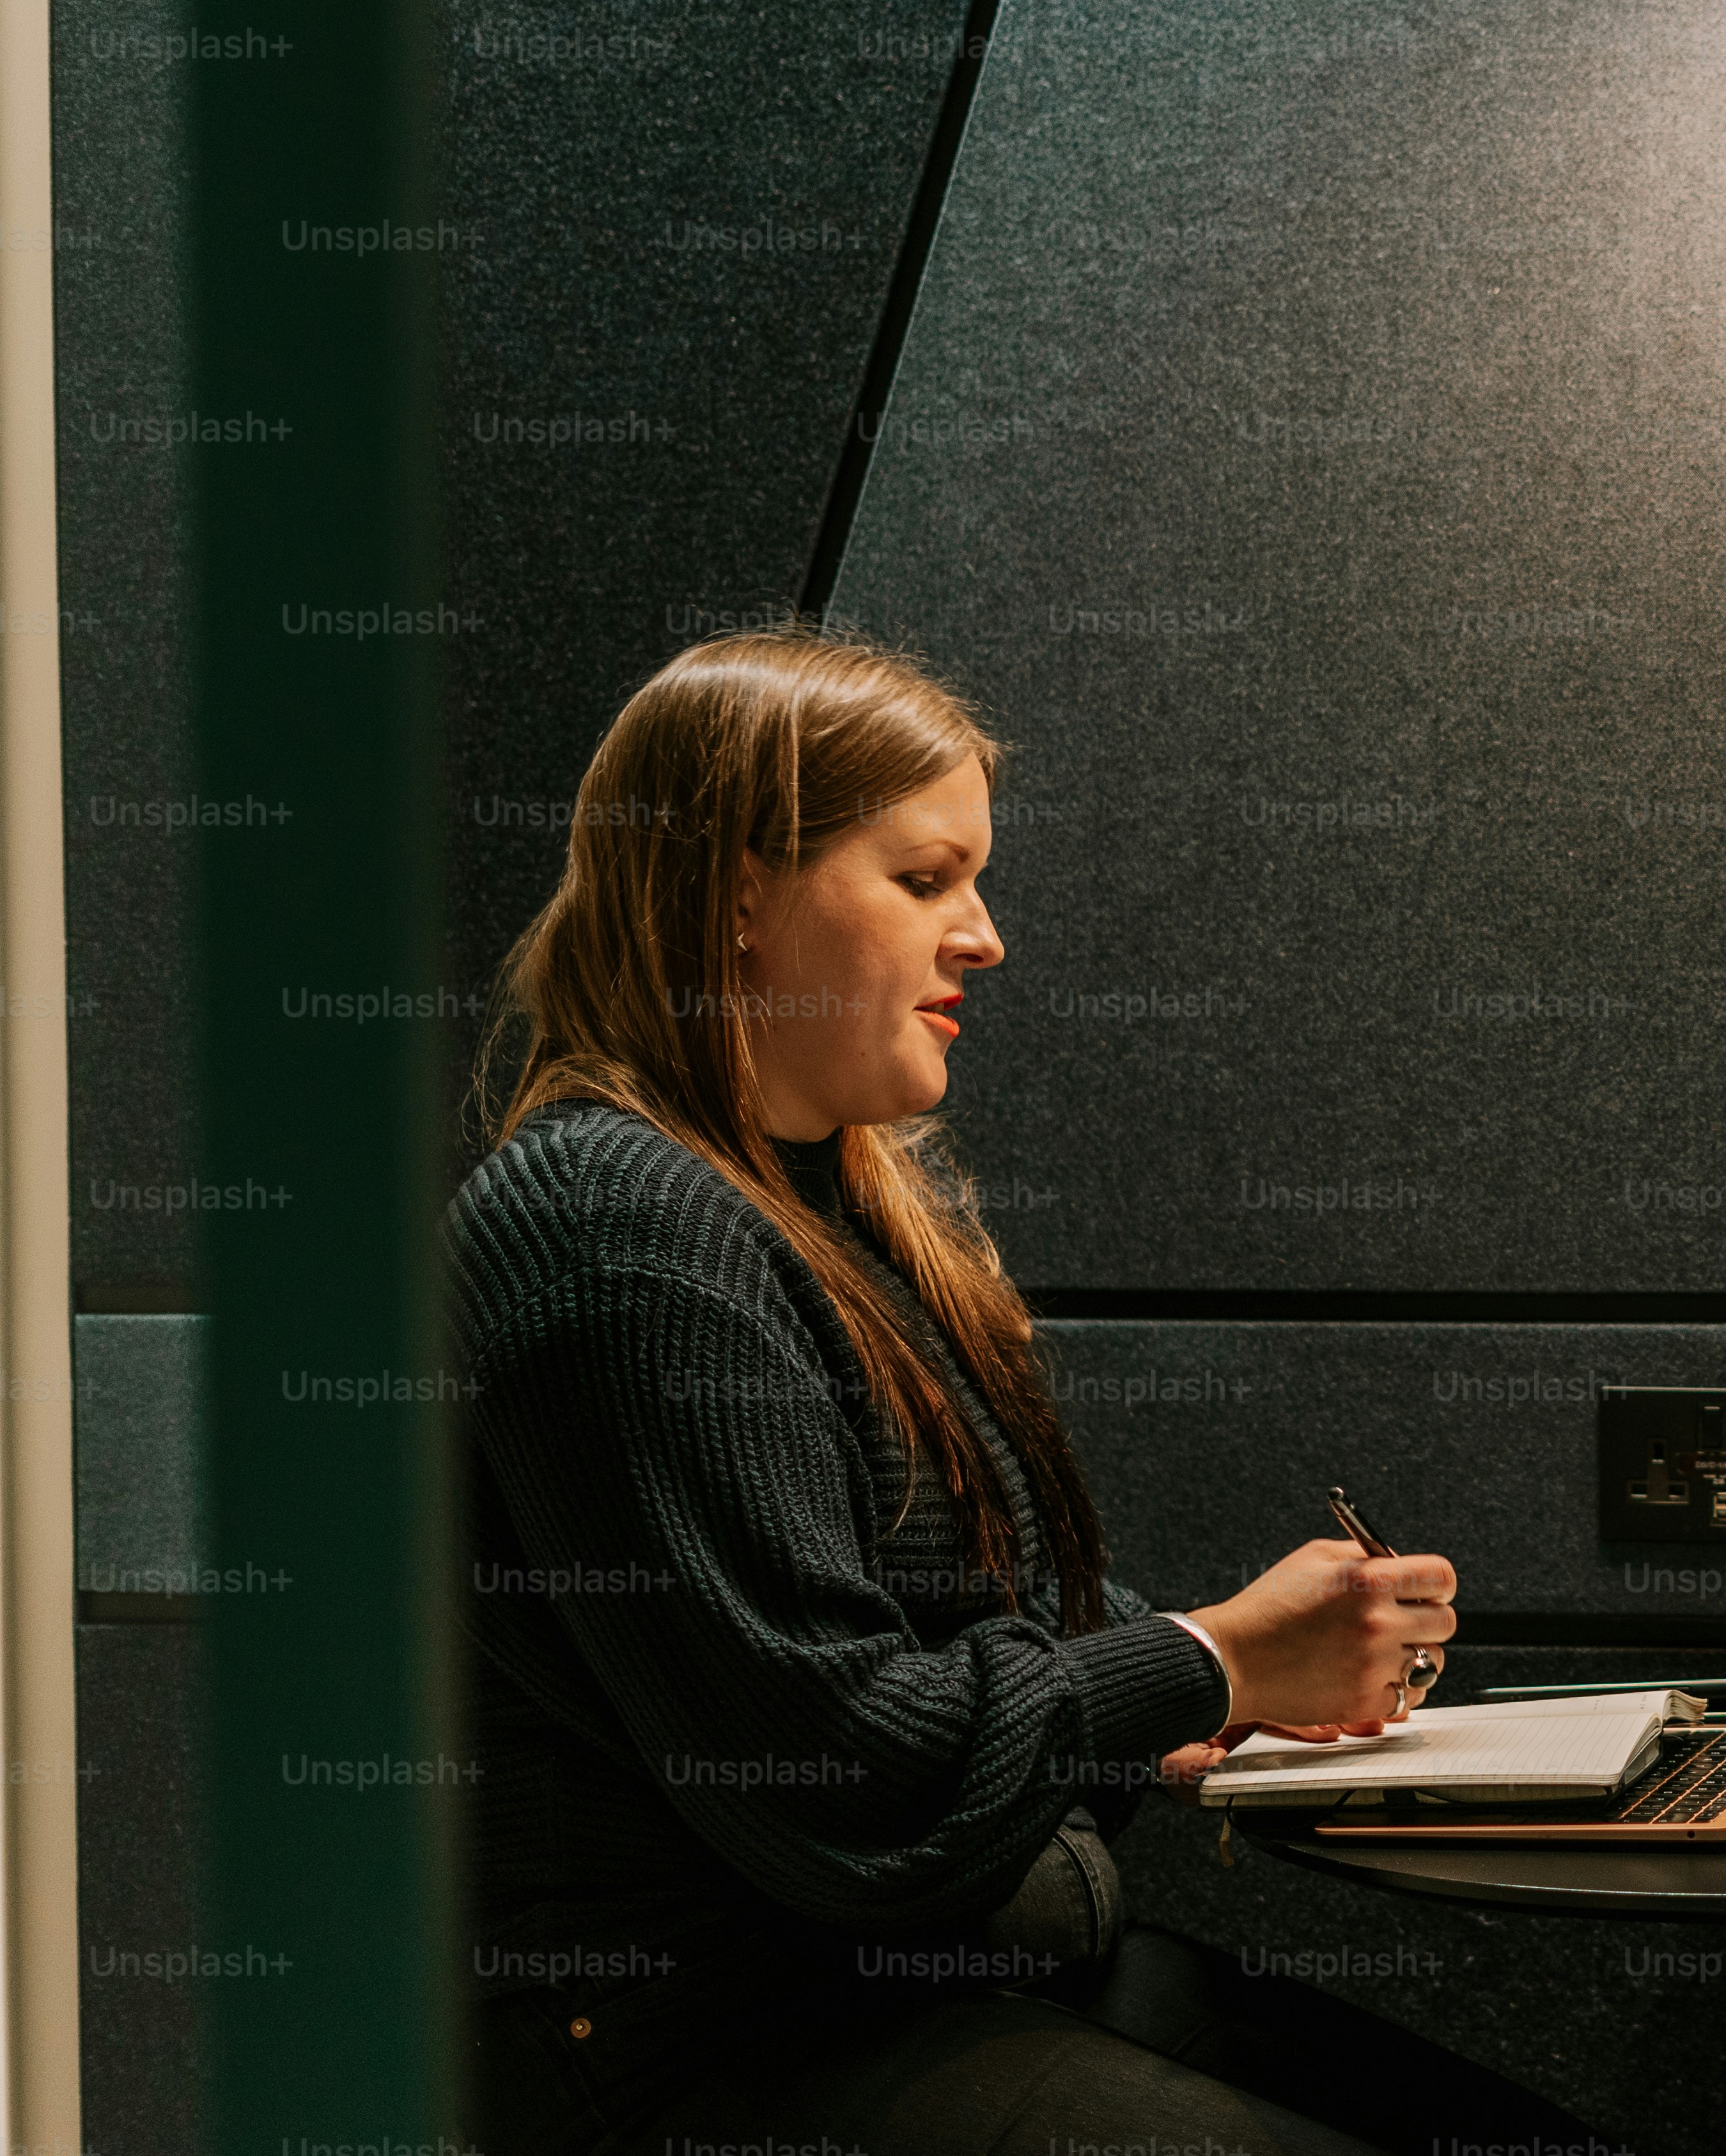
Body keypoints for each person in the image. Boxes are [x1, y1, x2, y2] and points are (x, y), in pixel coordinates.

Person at [453, 628, 1613, 2156]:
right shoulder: (618, 1230)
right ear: (738, 886)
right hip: (703, 2042)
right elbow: (842, 1775)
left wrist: (1222, 1682)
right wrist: (1200, 1661)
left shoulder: (810, 1197)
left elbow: (950, 1597)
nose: (985, 935)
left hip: (914, 1981)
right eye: (926, 878)